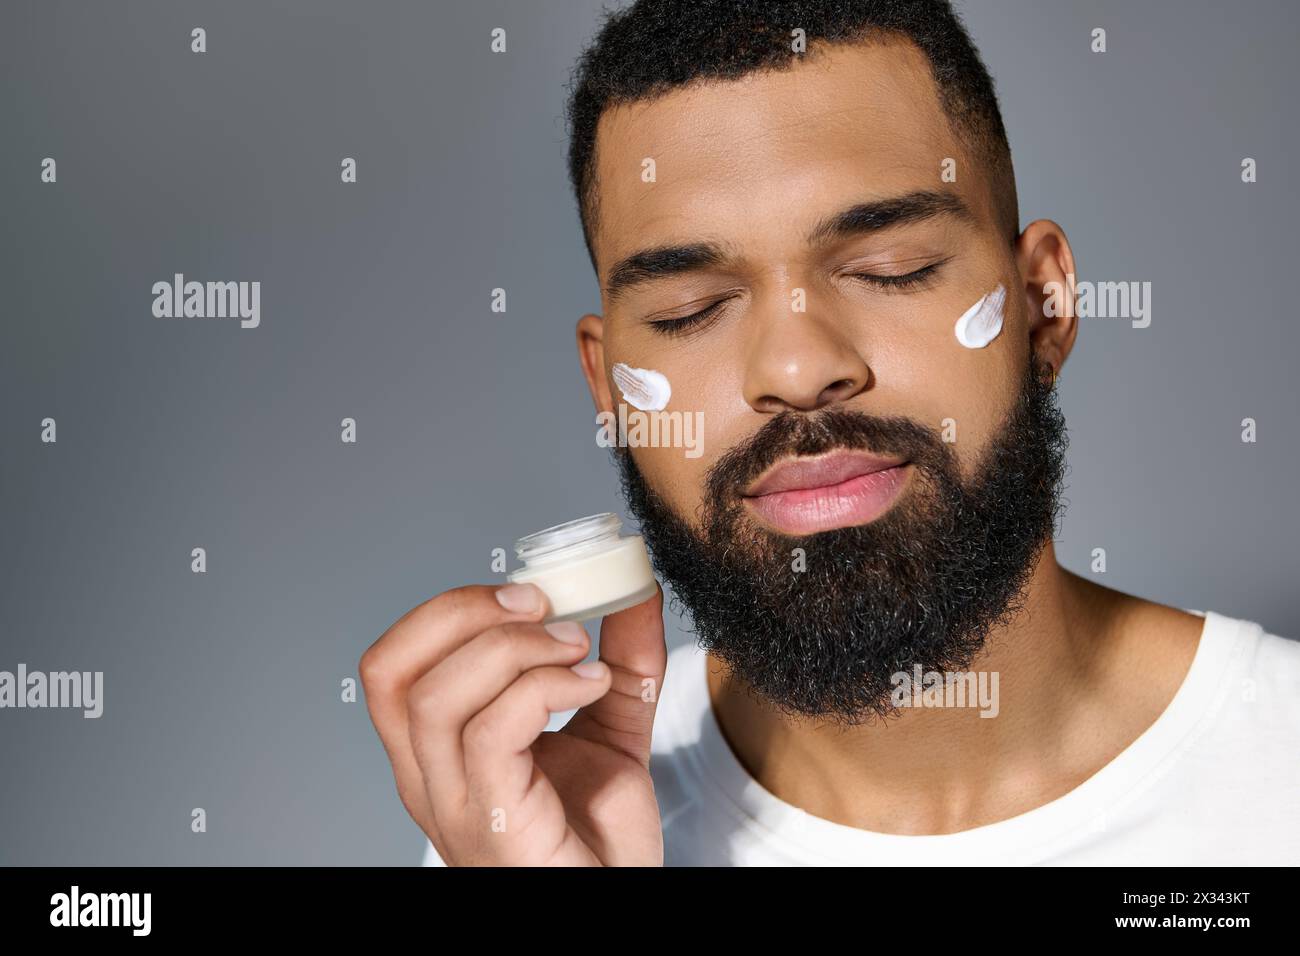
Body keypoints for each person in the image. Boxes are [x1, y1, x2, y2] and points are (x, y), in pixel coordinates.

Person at [360, 0, 1300, 865]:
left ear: (1042, 305)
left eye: (890, 268)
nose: (798, 369)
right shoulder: (541, 815)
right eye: (693, 310)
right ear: (607, 385)